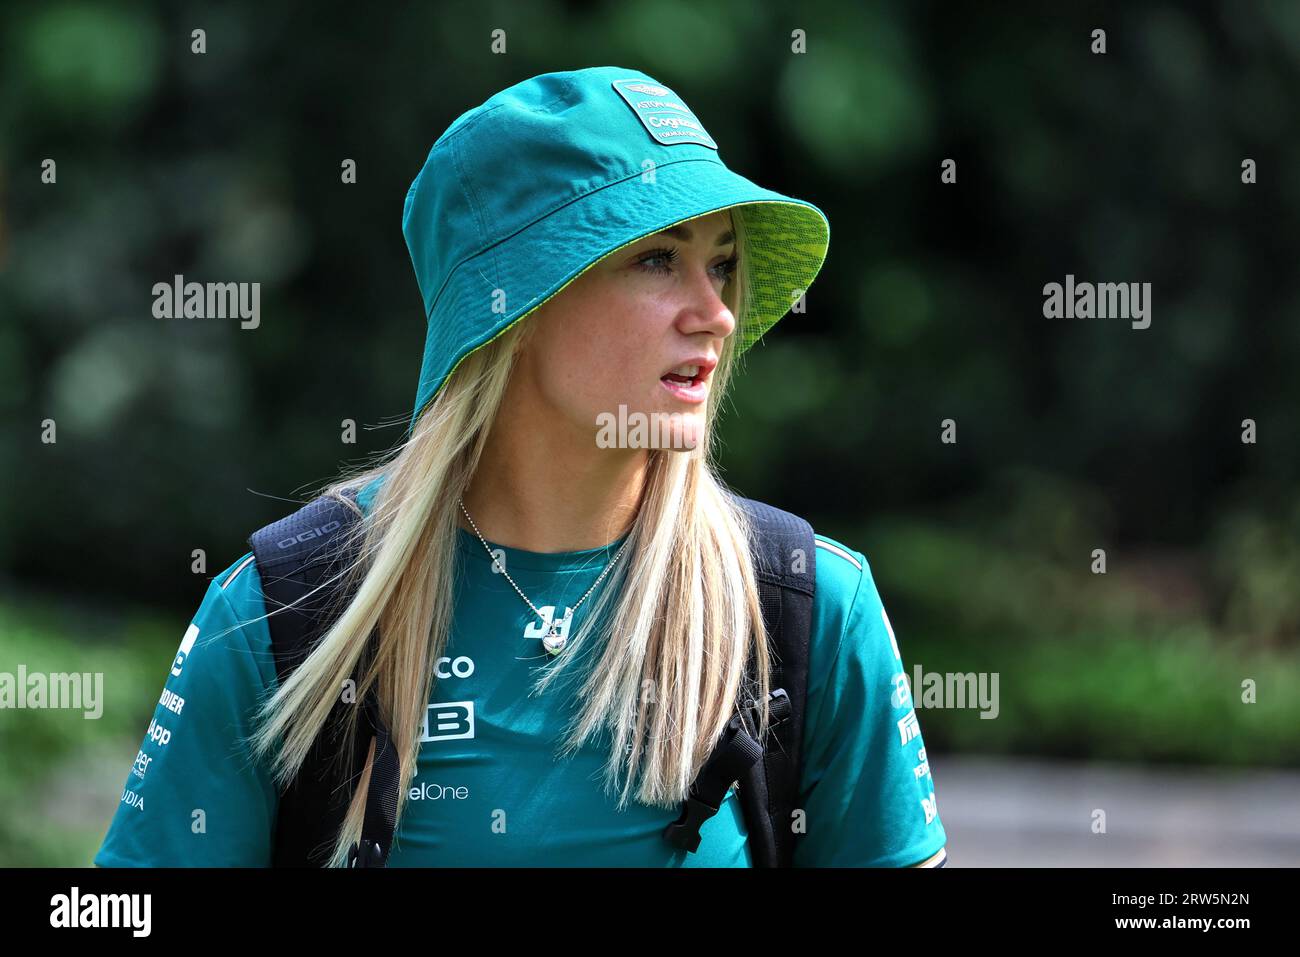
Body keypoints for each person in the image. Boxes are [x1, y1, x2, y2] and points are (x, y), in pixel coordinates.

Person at [94, 66, 948, 868]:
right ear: (515, 305)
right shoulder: (292, 612)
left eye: (722, 262)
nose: (717, 313)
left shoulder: (804, 606)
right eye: (658, 257)